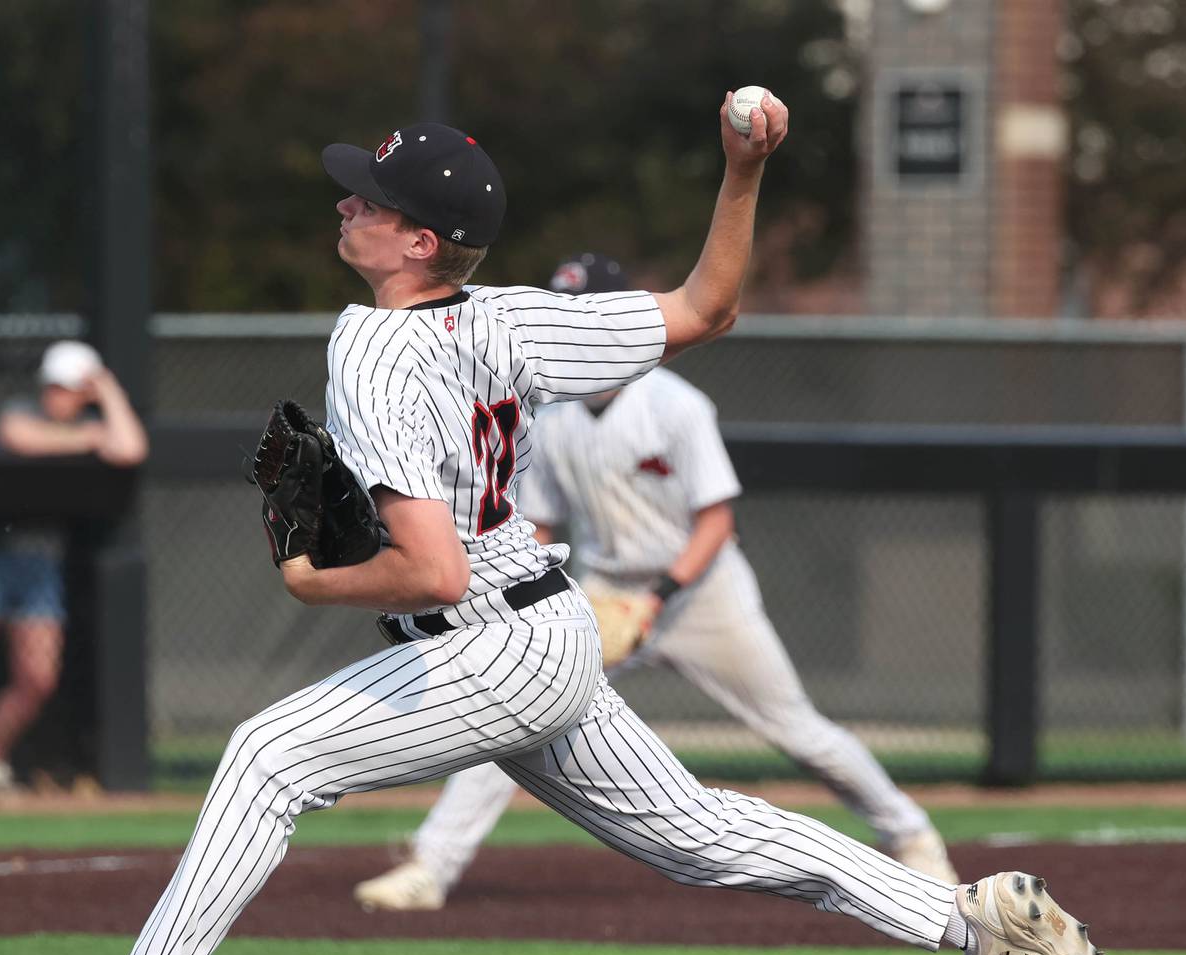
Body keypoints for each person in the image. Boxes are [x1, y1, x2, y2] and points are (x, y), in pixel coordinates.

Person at [0, 95, 1105, 955]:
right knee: (700, 833)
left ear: (418, 239)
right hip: (547, 625)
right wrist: (742, 170)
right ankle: (962, 917)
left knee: (268, 756)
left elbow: (432, 571)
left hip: (487, 638)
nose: (346, 203)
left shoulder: (371, 346)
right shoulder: (511, 316)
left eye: (367, 198)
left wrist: (310, 577)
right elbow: (707, 308)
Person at [352, 254, 957, 911]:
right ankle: (431, 867)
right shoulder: (548, 416)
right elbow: (541, 523)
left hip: (702, 592)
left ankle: (913, 836)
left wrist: (657, 597)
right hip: (604, 586)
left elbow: (716, 521)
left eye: (584, 308)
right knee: (513, 709)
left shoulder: (676, 404)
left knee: (797, 730)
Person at [0, 341, 148, 795]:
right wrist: (86, 439)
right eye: (53, 387)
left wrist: (107, 392)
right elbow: (14, 434)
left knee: (38, 679)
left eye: (69, 390)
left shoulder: (95, 420)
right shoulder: (26, 412)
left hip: (41, 563)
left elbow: (131, 448)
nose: (57, 397)